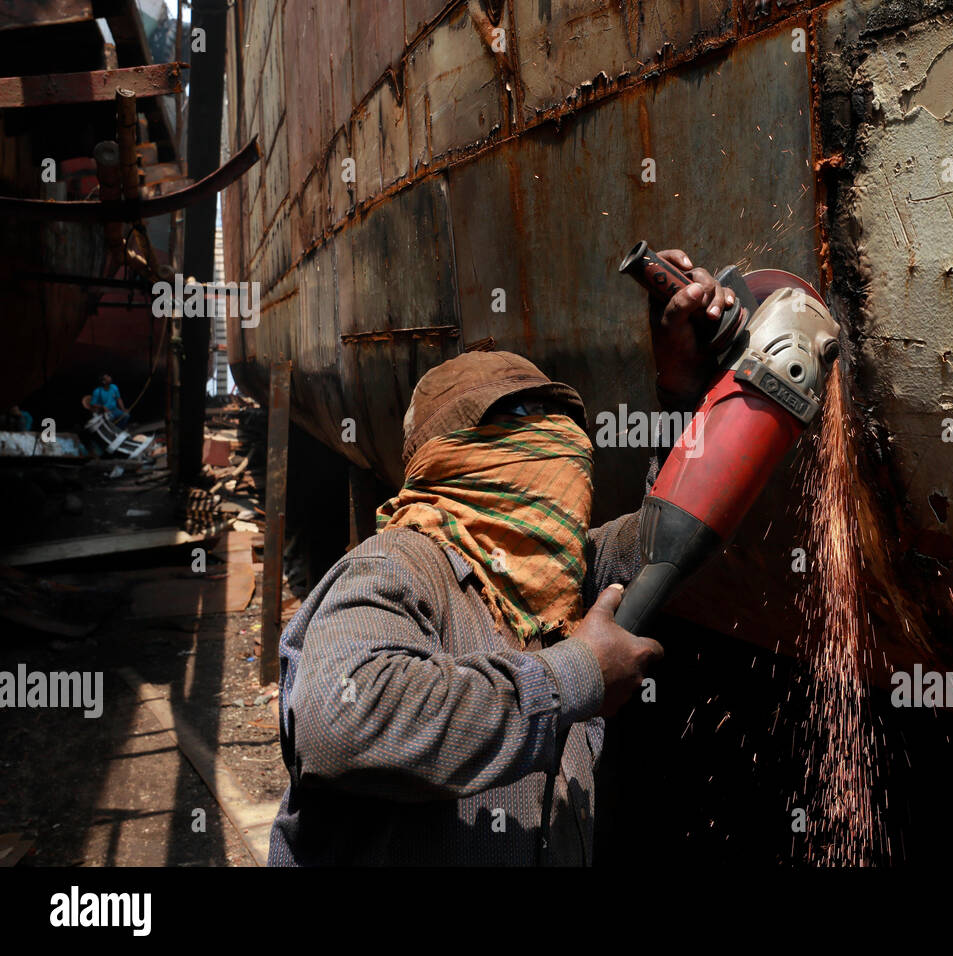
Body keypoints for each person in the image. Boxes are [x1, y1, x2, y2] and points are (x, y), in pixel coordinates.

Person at [269, 249, 735, 865]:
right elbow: (339, 725)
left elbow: (666, 539)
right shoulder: (396, 567)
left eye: (560, 420)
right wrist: (575, 675)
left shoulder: (565, 576)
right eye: (519, 420)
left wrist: (683, 390)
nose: (557, 440)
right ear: (451, 459)